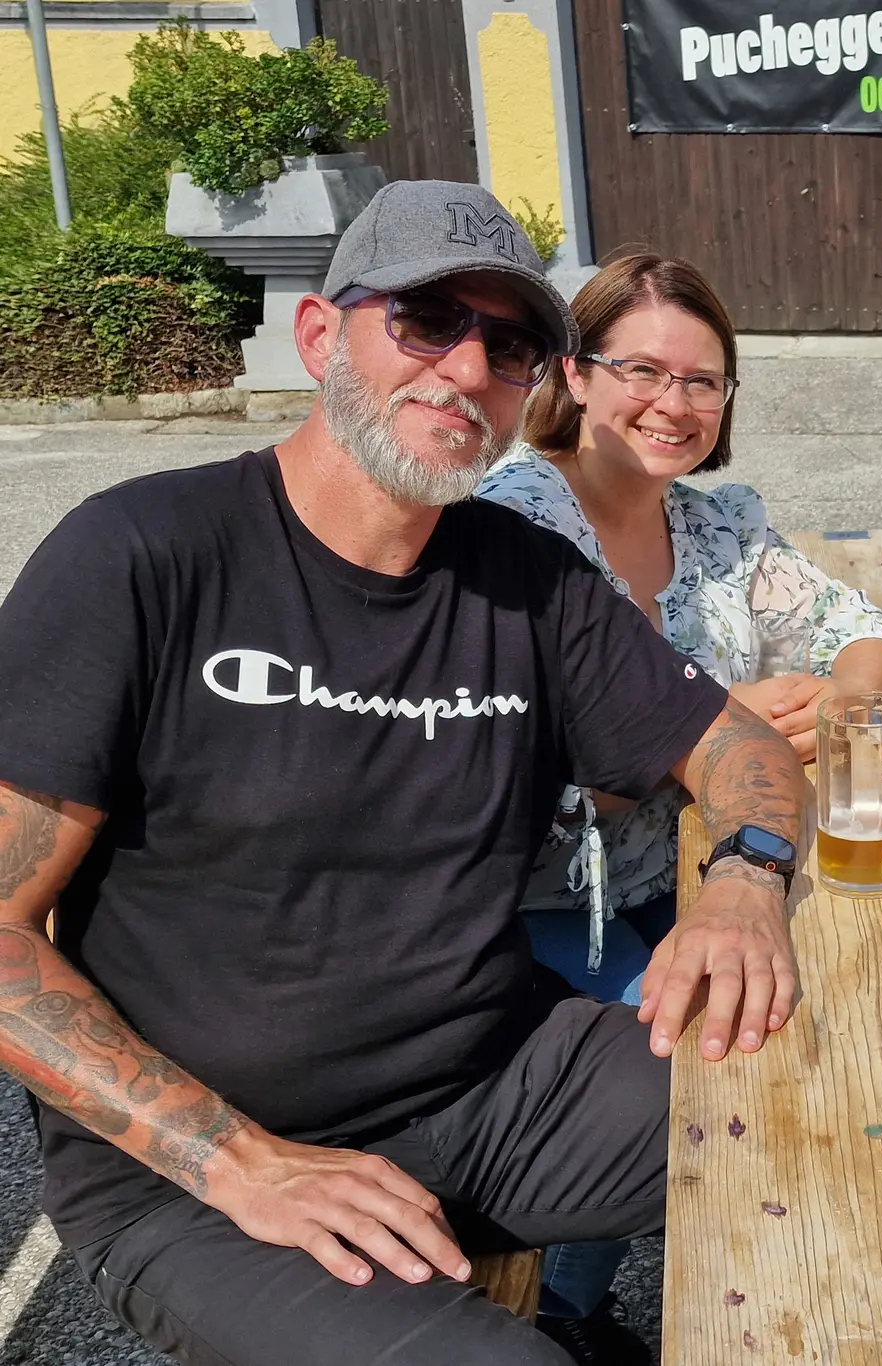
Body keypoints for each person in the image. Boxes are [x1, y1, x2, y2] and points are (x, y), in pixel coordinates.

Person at [0, 182, 807, 1366]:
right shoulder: (143, 553)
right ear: (321, 335)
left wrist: (744, 879)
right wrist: (237, 1160)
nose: (468, 367)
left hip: (500, 1090)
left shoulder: (525, 577)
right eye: (427, 320)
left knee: (853, 1109)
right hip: (207, 1181)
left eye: (511, 342)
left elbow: (736, 743)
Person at [474, 254, 882, 1348]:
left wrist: (834, 703)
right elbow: (492, 783)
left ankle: (585, 1295)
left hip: (677, 877)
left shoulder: (714, 527)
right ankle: (572, 1308)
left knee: (865, 1001)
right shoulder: (510, 531)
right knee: (732, 1061)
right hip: (525, 909)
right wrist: (711, 733)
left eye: (704, 381)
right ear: (572, 375)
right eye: (641, 370)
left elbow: (870, 634)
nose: (674, 403)